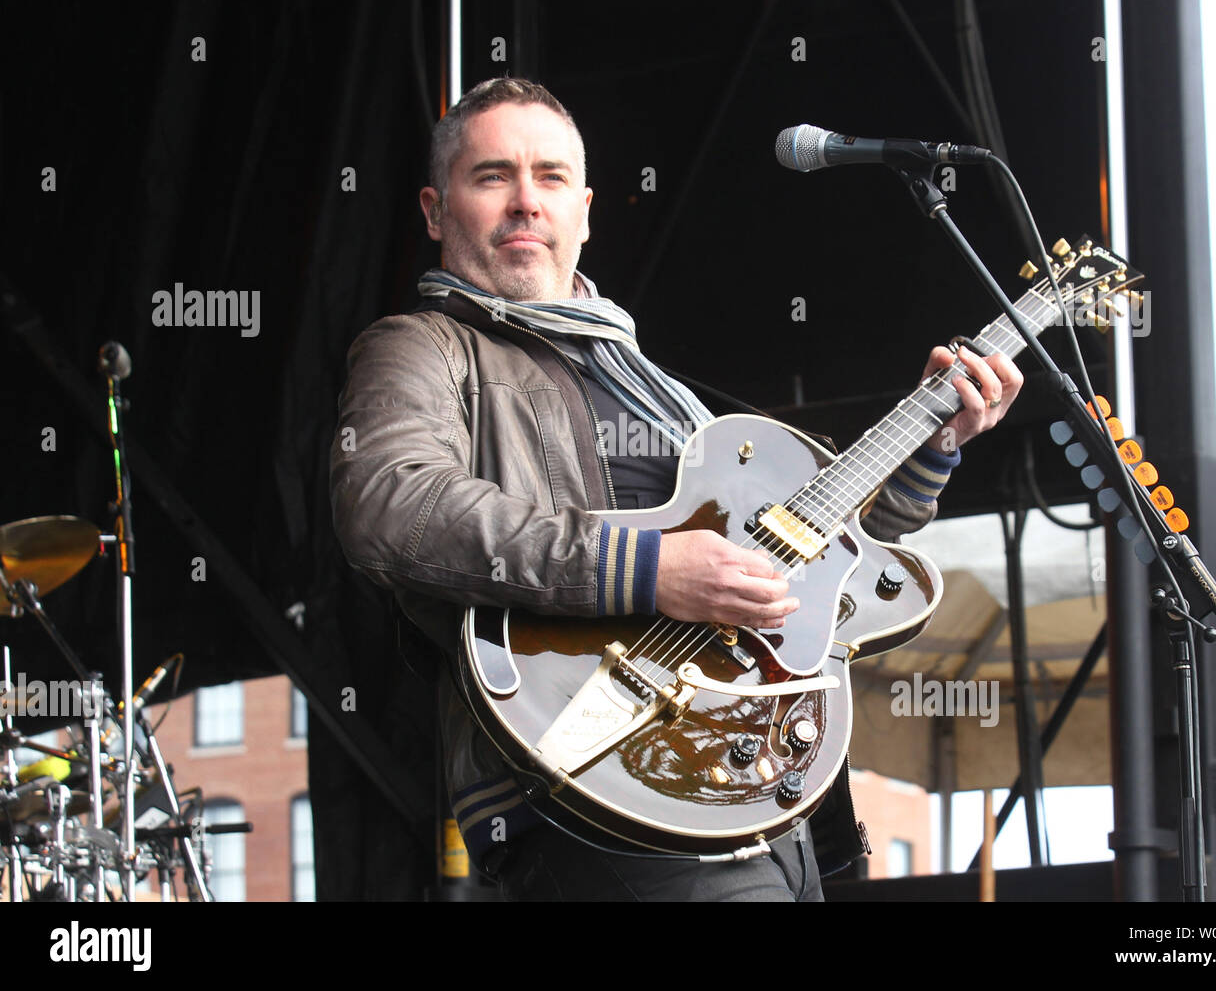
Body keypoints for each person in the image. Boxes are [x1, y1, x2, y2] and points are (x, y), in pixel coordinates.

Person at [329, 77, 1023, 901]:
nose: (525, 202)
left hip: (760, 784)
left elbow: (830, 561)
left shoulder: (655, 388)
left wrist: (933, 448)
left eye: (550, 178)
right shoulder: (423, 346)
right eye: (492, 177)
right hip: (596, 765)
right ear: (437, 211)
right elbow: (390, 504)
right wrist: (647, 567)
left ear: (584, 211)